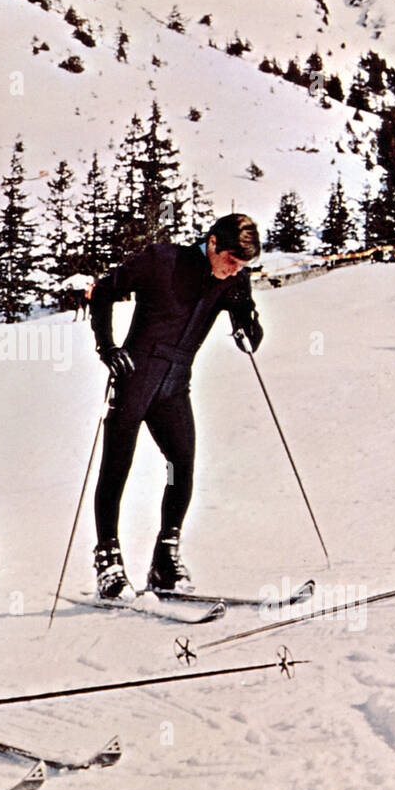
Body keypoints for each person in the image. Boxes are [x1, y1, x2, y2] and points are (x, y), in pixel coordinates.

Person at [88, 213, 264, 601]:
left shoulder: (234, 278)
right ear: (213, 243)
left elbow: (251, 332)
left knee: (180, 464)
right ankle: (109, 561)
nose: (233, 270)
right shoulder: (162, 261)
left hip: (174, 383)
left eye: (242, 266)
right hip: (135, 375)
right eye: (231, 260)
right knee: (117, 466)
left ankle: (165, 558)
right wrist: (107, 347)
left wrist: (246, 325)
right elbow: (103, 290)